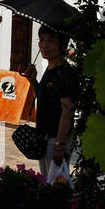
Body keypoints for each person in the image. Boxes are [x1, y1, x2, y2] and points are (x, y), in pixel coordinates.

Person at [18, 26, 78, 179]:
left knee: (56, 187)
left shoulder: (64, 73)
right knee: (48, 184)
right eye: (42, 40)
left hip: (55, 139)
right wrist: (33, 81)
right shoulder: (51, 69)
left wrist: (60, 145)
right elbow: (44, 97)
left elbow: (67, 111)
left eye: (51, 41)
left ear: (63, 46)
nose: (44, 45)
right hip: (45, 138)